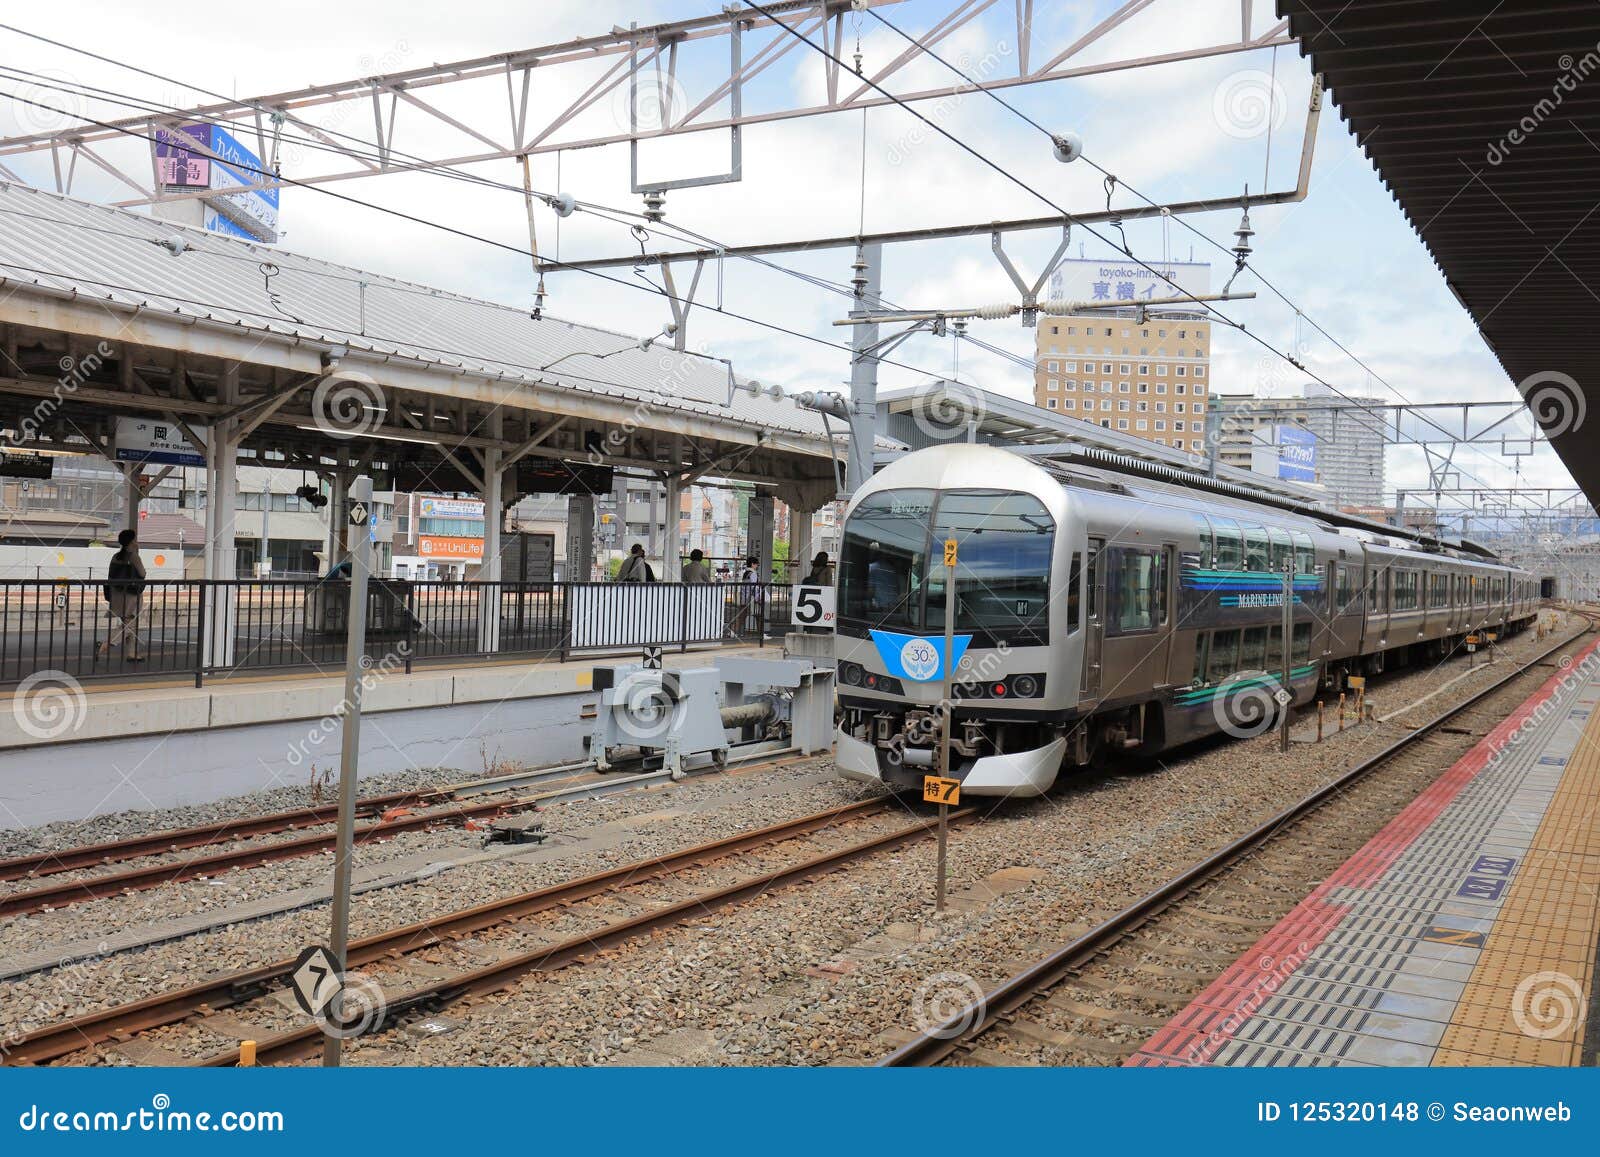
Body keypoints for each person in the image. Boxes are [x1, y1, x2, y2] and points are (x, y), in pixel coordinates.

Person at [99, 528, 147, 661]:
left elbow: (111, 575)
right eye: (135, 540)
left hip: (116, 595)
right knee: (130, 624)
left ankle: (132, 654)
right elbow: (142, 574)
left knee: (130, 623)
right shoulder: (133, 556)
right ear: (131, 542)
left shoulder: (115, 556)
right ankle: (108, 642)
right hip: (131, 595)